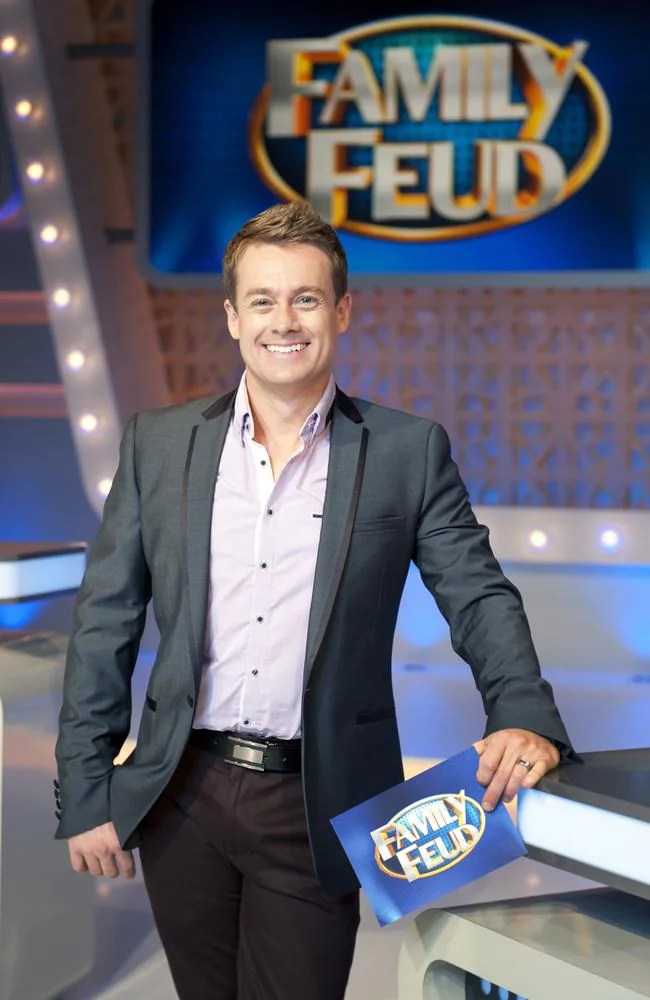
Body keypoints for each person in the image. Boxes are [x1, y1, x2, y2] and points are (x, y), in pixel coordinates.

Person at [55, 200, 576, 1000]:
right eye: (262, 300)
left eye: (305, 299)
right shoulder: (157, 443)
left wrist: (523, 711)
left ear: (341, 311)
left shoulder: (406, 451)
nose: (284, 321)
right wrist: (87, 788)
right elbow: (104, 624)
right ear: (233, 317)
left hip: (316, 799)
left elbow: (477, 594)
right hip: (179, 793)